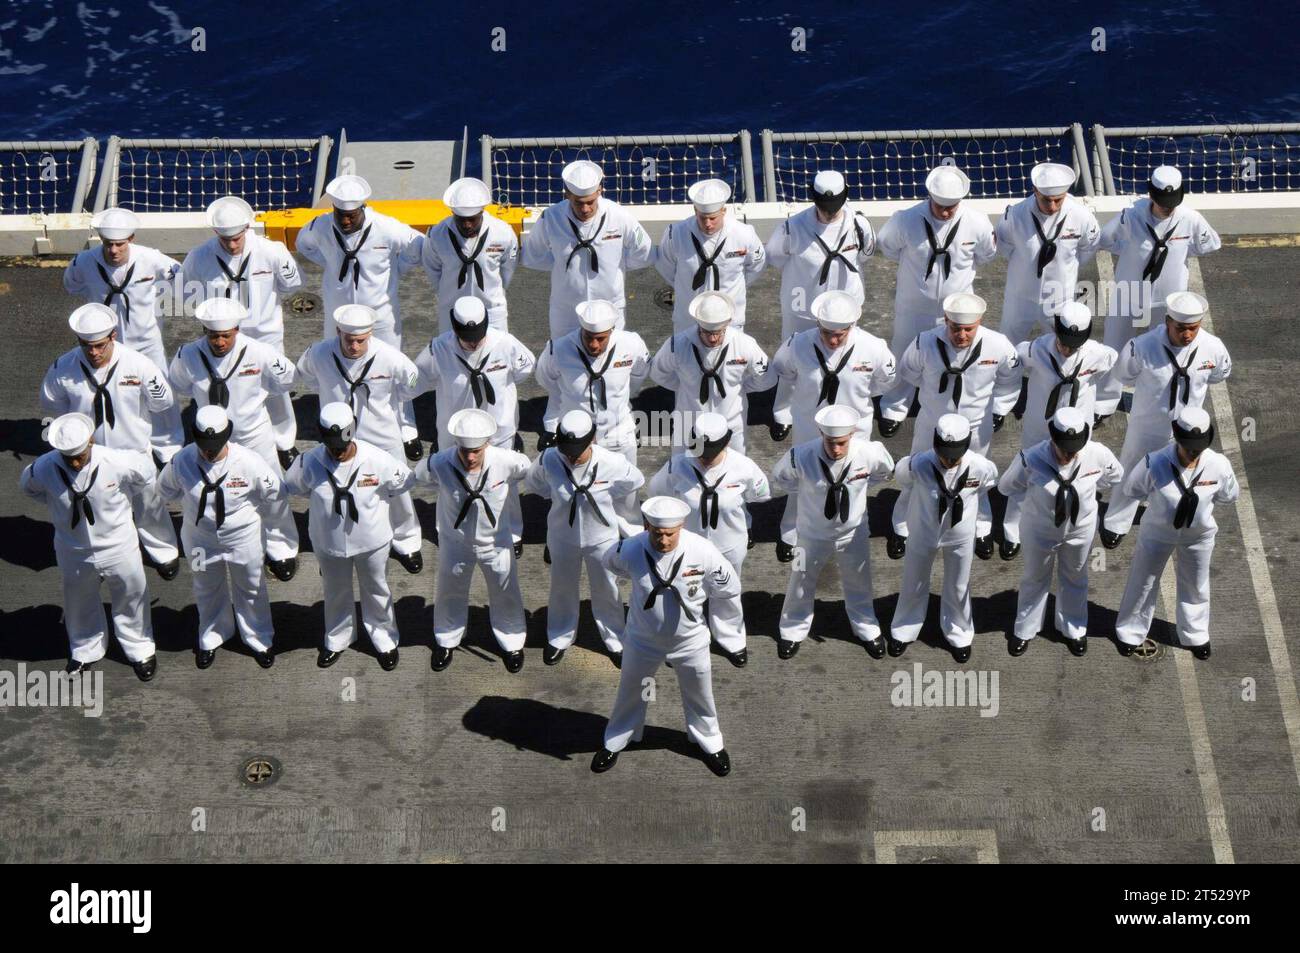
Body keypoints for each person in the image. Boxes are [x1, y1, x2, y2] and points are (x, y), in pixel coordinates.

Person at [590, 496, 742, 778]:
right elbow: (609, 562)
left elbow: (729, 585)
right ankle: (618, 739)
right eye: (656, 533)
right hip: (642, 639)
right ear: (646, 526)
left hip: (690, 640)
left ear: (681, 527)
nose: (663, 541)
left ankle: (709, 743)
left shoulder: (702, 550)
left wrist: (703, 597)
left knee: (700, 695)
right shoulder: (631, 549)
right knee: (630, 691)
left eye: (670, 534)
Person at [41, 302, 181, 579]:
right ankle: (105, 558)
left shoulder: (139, 364)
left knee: (148, 506)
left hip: (133, 450)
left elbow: (163, 402)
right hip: (90, 456)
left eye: (100, 345)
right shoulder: (62, 368)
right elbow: (52, 406)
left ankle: (164, 551)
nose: (93, 352)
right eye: (86, 345)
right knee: (99, 509)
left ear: (113, 336)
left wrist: (156, 440)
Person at [294, 174, 426, 458]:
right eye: (340, 215)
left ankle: (405, 428)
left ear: (363, 209)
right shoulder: (320, 226)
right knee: (337, 367)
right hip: (338, 315)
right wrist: (331, 263)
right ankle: (338, 424)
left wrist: (396, 269)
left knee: (394, 369)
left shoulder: (386, 227)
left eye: (351, 216)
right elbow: (303, 243)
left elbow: (419, 246)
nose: (344, 222)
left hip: (381, 315)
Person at [20, 413, 159, 679]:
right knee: (78, 602)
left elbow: (145, 473)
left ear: (91, 442)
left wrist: (126, 498)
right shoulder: (43, 468)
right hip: (74, 550)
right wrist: (57, 506)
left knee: (132, 596)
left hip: (118, 546)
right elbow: (29, 488)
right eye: (67, 456)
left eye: (79, 455)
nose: (74, 461)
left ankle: (139, 648)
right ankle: (85, 649)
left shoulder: (116, 461)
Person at [169, 297, 300, 580]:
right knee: (214, 491)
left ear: (237, 330)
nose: (219, 342)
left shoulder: (260, 352)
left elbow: (288, 379)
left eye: (225, 336)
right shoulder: (187, 355)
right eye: (213, 335)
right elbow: (178, 383)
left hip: (253, 434)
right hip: (210, 441)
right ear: (204, 332)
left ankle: (281, 546)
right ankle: (228, 542)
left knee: (273, 491)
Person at [283, 403, 414, 670]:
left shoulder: (377, 459)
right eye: (331, 446)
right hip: (329, 542)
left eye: (341, 446)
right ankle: (337, 638)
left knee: (377, 589)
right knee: (335, 591)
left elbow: (403, 482)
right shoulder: (309, 462)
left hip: (372, 541)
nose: (337, 452)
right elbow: (293, 485)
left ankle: (384, 638)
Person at [890, 292, 1019, 560]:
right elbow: (909, 373)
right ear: (945, 320)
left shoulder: (999, 346)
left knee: (977, 478)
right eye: (955, 328)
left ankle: (981, 528)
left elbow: (1010, 380)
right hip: (932, 426)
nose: (961, 335)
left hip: (976, 426)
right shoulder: (923, 344)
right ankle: (902, 527)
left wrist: (999, 410)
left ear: (979, 323)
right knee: (917, 473)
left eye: (968, 329)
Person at [296, 303, 425, 573]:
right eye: (349, 340)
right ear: (338, 332)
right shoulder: (320, 352)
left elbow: (414, 381)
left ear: (370, 335)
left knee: (398, 491)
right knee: (336, 488)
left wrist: (395, 401)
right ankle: (339, 544)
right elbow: (305, 374)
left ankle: (407, 540)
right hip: (338, 437)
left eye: (361, 341)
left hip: (381, 433)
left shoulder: (389, 357)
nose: (354, 346)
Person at [769, 289, 895, 559]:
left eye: (841, 334)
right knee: (805, 478)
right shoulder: (797, 345)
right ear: (818, 325)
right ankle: (792, 532)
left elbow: (884, 382)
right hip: (808, 428)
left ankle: (851, 530)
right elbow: (785, 371)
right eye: (827, 333)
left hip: (854, 430)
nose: (834, 340)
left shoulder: (874, 348)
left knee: (852, 480)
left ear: (853, 326)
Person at [1099, 291, 1232, 548]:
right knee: (1132, 467)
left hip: (1187, 430)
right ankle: (1116, 521)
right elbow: (1124, 374)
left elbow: (1218, 375)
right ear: (1168, 321)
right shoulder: (1143, 347)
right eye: (1181, 328)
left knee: (1180, 475)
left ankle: (1167, 515)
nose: (1187, 335)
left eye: (1193, 328)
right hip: (1148, 424)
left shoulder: (1213, 347)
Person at [182, 195, 303, 467]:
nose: (233, 244)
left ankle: (284, 441)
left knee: (276, 390)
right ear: (216, 233)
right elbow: (188, 290)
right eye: (226, 240)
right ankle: (228, 437)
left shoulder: (272, 252)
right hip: (223, 335)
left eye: (237, 238)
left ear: (247, 229)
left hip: (265, 333)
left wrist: (266, 309)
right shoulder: (199, 257)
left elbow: (291, 284)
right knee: (230, 386)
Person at [875, 165, 997, 435]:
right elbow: (887, 246)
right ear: (929, 196)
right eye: (939, 205)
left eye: (950, 207)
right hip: (913, 305)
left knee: (957, 357)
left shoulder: (977, 223)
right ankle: (894, 406)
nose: (944, 212)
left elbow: (986, 255)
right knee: (903, 352)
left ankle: (951, 407)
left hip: (957, 311)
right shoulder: (905, 220)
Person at [157, 406, 281, 669]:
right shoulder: (181, 461)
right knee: (206, 588)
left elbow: (273, 493)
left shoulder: (249, 462)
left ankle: (259, 638)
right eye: (204, 445)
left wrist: (247, 515)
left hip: (243, 538)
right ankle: (213, 634)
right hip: (200, 540)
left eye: (215, 444)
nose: (209, 451)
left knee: (251, 587)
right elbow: (165, 490)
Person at [1095, 165, 1221, 422]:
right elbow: (1105, 239)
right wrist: (1129, 250)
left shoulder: (1190, 218)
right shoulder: (1131, 216)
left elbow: (1210, 244)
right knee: (1114, 346)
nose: (1167, 207)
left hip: (1168, 298)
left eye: (1172, 202)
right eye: (1163, 201)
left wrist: (1182, 252)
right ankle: (1104, 403)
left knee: (1164, 351)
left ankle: (1158, 401)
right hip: (1129, 291)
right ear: (1151, 195)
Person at [770, 405, 895, 660]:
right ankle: (792, 628)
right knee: (800, 581)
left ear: (851, 435)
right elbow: (780, 478)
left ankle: (865, 626)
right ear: (820, 434)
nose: (835, 449)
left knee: (859, 580)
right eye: (830, 442)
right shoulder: (800, 456)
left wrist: (861, 487)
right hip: (809, 534)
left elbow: (885, 471)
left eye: (841, 443)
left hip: (854, 532)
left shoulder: (869, 452)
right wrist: (807, 493)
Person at [1114, 408, 1239, 659]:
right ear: (1177, 438)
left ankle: (1195, 634)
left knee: (1196, 584)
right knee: (1143, 582)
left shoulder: (1218, 465)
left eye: (1198, 447)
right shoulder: (1155, 462)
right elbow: (1131, 488)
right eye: (1188, 446)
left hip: (1199, 535)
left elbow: (1230, 495)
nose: (1193, 452)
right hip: (1157, 533)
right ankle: (1130, 632)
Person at [647, 411, 770, 666]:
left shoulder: (744, 468)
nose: (703, 456)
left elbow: (760, 494)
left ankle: (731, 639)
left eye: (710, 450)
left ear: (725, 443)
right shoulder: (677, 466)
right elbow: (656, 493)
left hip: (729, 544)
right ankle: (684, 640)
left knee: (727, 592)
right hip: (689, 546)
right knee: (684, 592)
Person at [998, 407, 1122, 656]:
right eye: (1063, 447)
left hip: (1080, 529)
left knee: (1076, 577)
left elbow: (1115, 476)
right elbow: (1006, 486)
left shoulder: (1098, 454)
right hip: (1039, 530)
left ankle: (1073, 628)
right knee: (1034, 578)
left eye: (1073, 448)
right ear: (1052, 438)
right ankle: (1025, 629)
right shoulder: (1030, 459)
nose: (1068, 455)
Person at [62, 207, 184, 459]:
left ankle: (168, 447)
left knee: (162, 394)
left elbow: (182, 276)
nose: (113, 250)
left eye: (119, 244)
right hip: (106, 346)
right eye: (108, 244)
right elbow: (70, 284)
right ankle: (116, 444)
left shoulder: (151, 259)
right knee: (114, 393)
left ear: (131, 239)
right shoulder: (84, 262)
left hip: (147, 342)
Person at [415, 296, 535, 552]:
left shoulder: (505, 344)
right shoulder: (439, 348)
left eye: (477, 335)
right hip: (455, 431)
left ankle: (512, 531)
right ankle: (447, 531)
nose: (472, 342)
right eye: (466, 336)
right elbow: (418, 376)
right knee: (449, 481)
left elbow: (526, 368)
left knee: (505, 482)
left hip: (499, 430)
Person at [526, 409, 644, 667]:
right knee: (561, 588)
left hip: (601, 537)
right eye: (567, 449)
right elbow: (533, 483)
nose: (570, 456)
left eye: (576, 449)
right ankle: (559, 636)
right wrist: (557, 497)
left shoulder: (610, 462)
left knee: (607, 589)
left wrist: (609, 495)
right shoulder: (550, 458)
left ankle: (615, 639)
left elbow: (635, 479)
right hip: (562, 535)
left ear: (592, 441)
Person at [1000, 301, 1117, 557]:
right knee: (1028, 470)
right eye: (1063, 342)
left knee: (1077, 475)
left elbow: (1112, 366)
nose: (1066, 349)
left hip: (1077, 429)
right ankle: (1012, 530)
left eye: (1073, 345)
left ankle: (1070, 524)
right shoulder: (1036, 349)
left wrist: (1102, 404)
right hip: (1039, 426)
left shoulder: (1099, 355)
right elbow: (1013, 360)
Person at [420, 408, 532, 673]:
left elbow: (528, 470)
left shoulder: (507, 461)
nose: (470, 457)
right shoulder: (440, 462)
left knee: (506, 592)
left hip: (496, 543)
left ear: (488, 444)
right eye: (464, 451)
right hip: (455, 543)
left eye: (476, 451)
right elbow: (420, 476)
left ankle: (512, 641)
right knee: (449, 591)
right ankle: (447, 638)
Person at [888, 414, 999, 663]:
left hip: (960, 536)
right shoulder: (918, 464)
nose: (948, 460)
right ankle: (904, 629)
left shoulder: (981, 467)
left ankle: (959, 633)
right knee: (913, 581)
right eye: (944, 452)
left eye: (955, 453)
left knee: (959, 585)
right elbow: (902, 479)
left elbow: (985, 489)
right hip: (924, 532)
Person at [536, 298, 650, 523]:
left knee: (627, 499)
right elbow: (547, 381)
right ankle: (566, 533)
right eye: (589, 337)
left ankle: (629, 541)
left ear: (612, 330)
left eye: (601, 338)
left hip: (618, 431)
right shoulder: (558, 350)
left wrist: (619, 403)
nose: (594, 345)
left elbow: (639, 375)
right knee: (570, 492)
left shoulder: (632, 344)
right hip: (577, 439)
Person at [520, 160, 654, 338]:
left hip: (610, 306)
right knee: (563, 357)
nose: (585, 209)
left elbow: (644, 252)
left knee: (609, 358)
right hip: (566, 311)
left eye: (590, 202)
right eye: (578, 203)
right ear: (567, 194)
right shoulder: (550, 218)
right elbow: (532, 255)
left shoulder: (619, 216)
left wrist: (617, 265)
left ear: (600, 191)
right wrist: (560, 265)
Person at [647, 290, 769, 456]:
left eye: (718, 332)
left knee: (733, 472)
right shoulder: (677, 345)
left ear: (728, 323)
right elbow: (658, 372)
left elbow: (766, 377)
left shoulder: (745, 344)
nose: (712, 339)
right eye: (707, 332)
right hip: (689, 422)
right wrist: (684, 386)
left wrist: (741, 388)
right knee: (682, 470)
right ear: (698, 323)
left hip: (731, 424)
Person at [996, 162, 1101, 346]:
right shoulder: (1015, 215)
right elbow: (1004, 245)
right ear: (1035, 191)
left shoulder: (1081, 216)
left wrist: (1065, 268)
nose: (1052, 206)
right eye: (1046, 199)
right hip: (1020, 295)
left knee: (1063, 347)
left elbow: (1089, 247)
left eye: (1058, 200)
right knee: (1007, 346)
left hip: (1060, 297)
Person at [766, 169, 875, 338]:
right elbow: (773, 256)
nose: (829, 212)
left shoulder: (860, 226)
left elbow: (865, 254)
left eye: (834, 207)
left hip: (845, 310)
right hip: (802, 311)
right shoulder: (792, 229)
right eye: (825, 208)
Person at [654, 178, 766, 333]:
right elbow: (665, 267)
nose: (708, 224)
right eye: (702, 218)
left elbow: (757, 266)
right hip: (688, 319)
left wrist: (735, 286)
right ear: (695, 211)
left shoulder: (744, 234)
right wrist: (684, 287)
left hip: (730, 318)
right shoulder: (676, 234)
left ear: (723, 211)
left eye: (713, 218)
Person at [422, 176, 519, 334]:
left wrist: (494, 290)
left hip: (492, 310)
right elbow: (433, 270)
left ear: (482, 212)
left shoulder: (503, 233)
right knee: (451, 356)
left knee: (496, 354)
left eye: (472, 219)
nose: (467, 225)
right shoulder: (436, 235)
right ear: (452, 212)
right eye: (461, 219)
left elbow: (508, 269)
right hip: (451, 310)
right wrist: (447, 292)